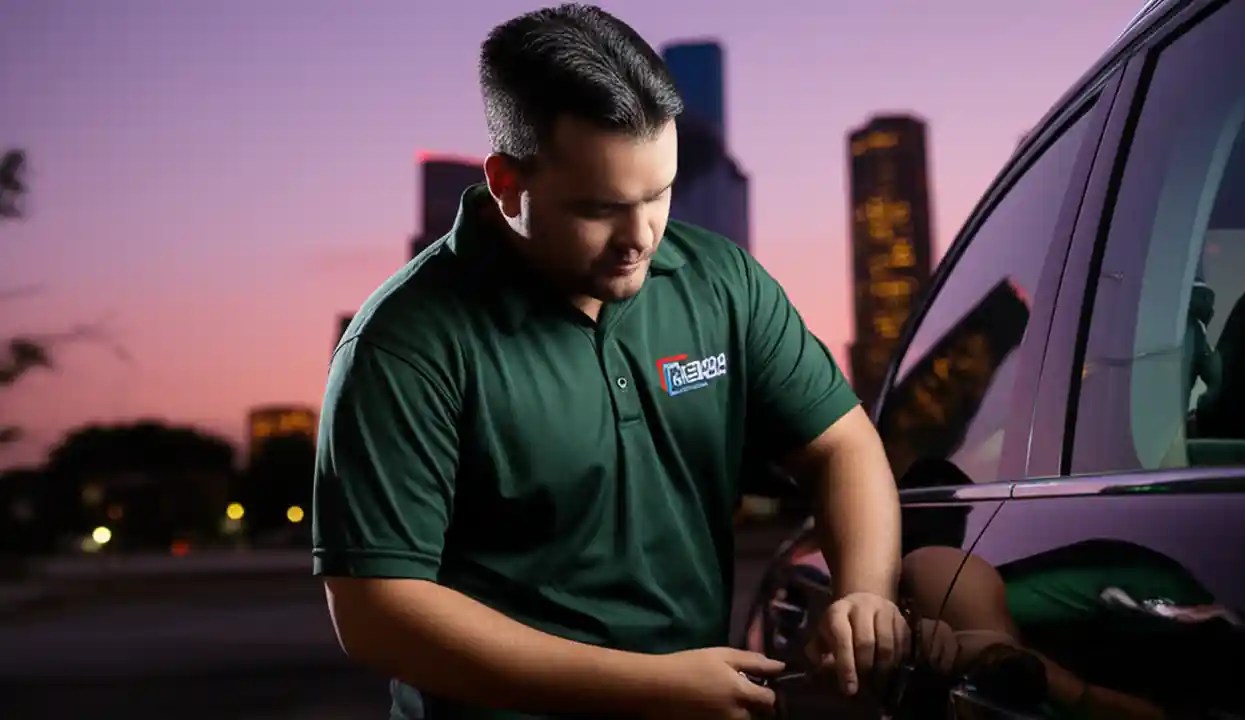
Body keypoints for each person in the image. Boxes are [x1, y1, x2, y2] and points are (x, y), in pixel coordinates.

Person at [313, 4, 904, 718]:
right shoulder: (403, 347)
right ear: (506, 184)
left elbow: (841, 443)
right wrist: (650, 687)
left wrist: (866, 592)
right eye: (600, 208)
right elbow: (376, 611)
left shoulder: (723, 283)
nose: (640, 236)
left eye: (659, 194)